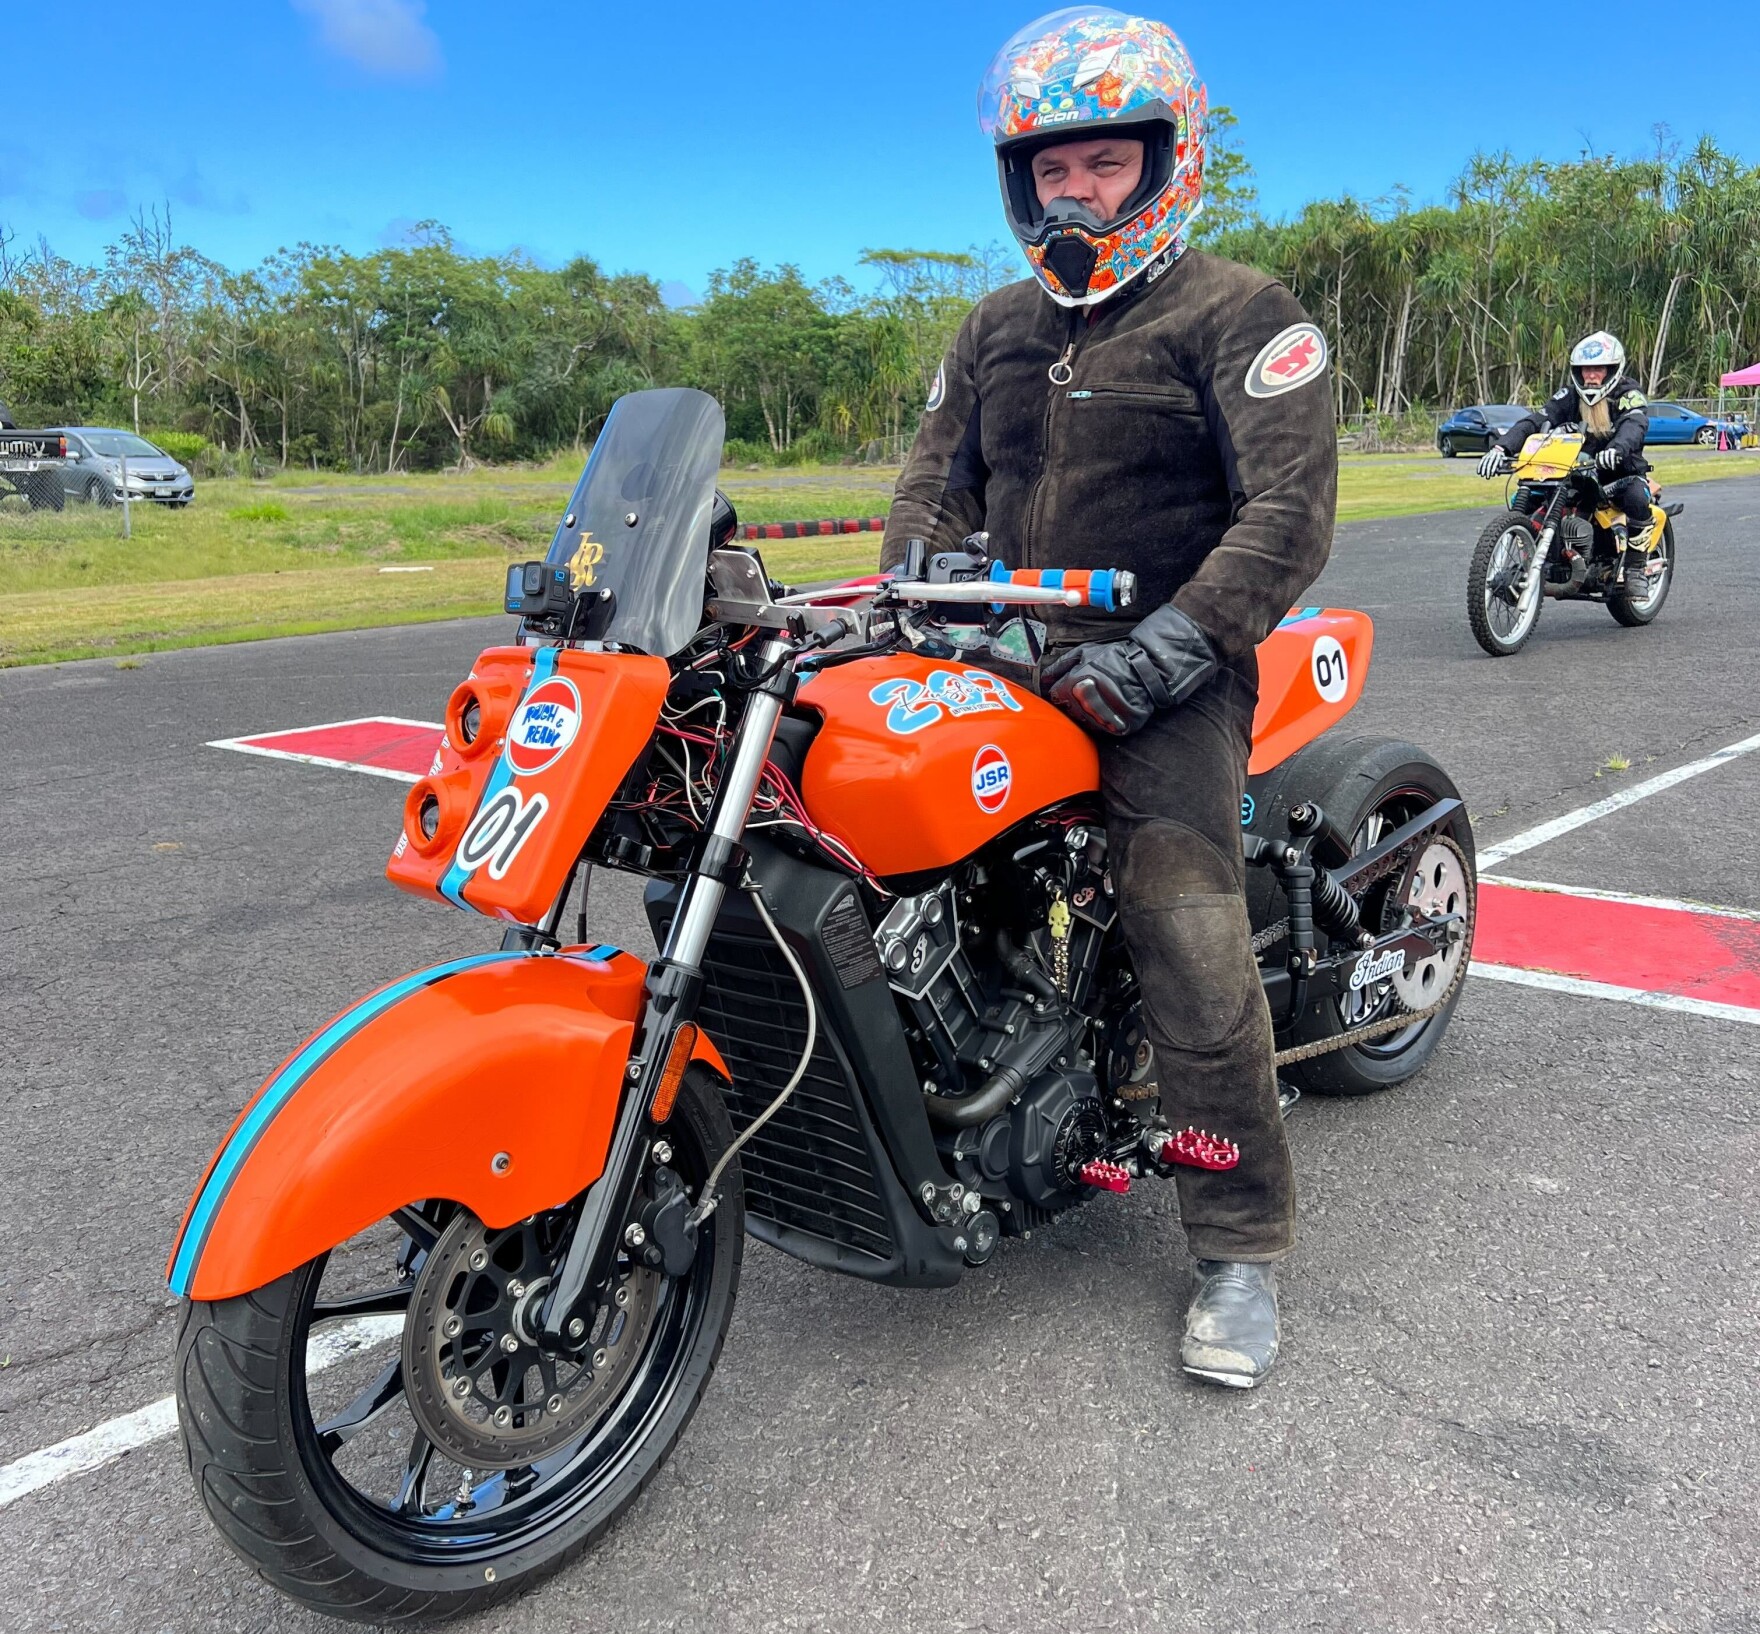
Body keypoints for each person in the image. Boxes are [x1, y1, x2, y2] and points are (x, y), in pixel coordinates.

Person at [881, 8, 1337, 1388]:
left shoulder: (1242, 314)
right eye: (1051, 172)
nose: (1075, 195)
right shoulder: (996, 326)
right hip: (997, 649)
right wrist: (915, 576)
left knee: (1182, 914)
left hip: (1170, 664)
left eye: (1103, 167)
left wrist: (1166, 650)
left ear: (1166, 161)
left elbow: (1287, 516)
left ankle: (1240, 1241)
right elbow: (927, 483)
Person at [1480, 332, 1656, 582]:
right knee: (1526, 498)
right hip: (1575, 473)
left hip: (1619, 473)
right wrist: (1501, 448)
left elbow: (1635, 424)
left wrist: (1616, 449)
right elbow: (1536, 420)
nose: (1591, 375)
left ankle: (1636, 569)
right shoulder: (1569, 396)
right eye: (1585, 369)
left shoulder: (1628, 394)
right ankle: (1537, 556)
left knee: (1637, 497)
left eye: (1598, 369)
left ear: (1612, 369)